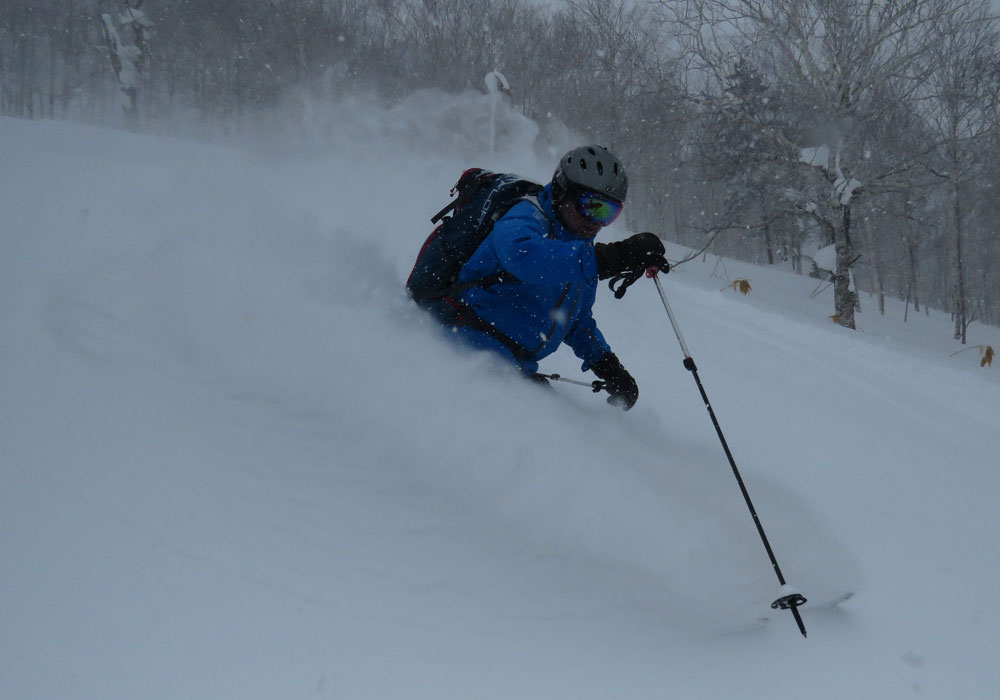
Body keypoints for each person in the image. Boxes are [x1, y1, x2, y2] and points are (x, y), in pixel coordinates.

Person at [444, 145, 668, 410]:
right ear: (563, 191)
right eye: (590, 206)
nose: (596, 221)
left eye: (607, 213)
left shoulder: (579, 253)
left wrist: (608, 367)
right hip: (463, 350)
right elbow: (523, 256)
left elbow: (575, 320)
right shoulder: (526, 217)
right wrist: (609, 258)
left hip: (513, 368)